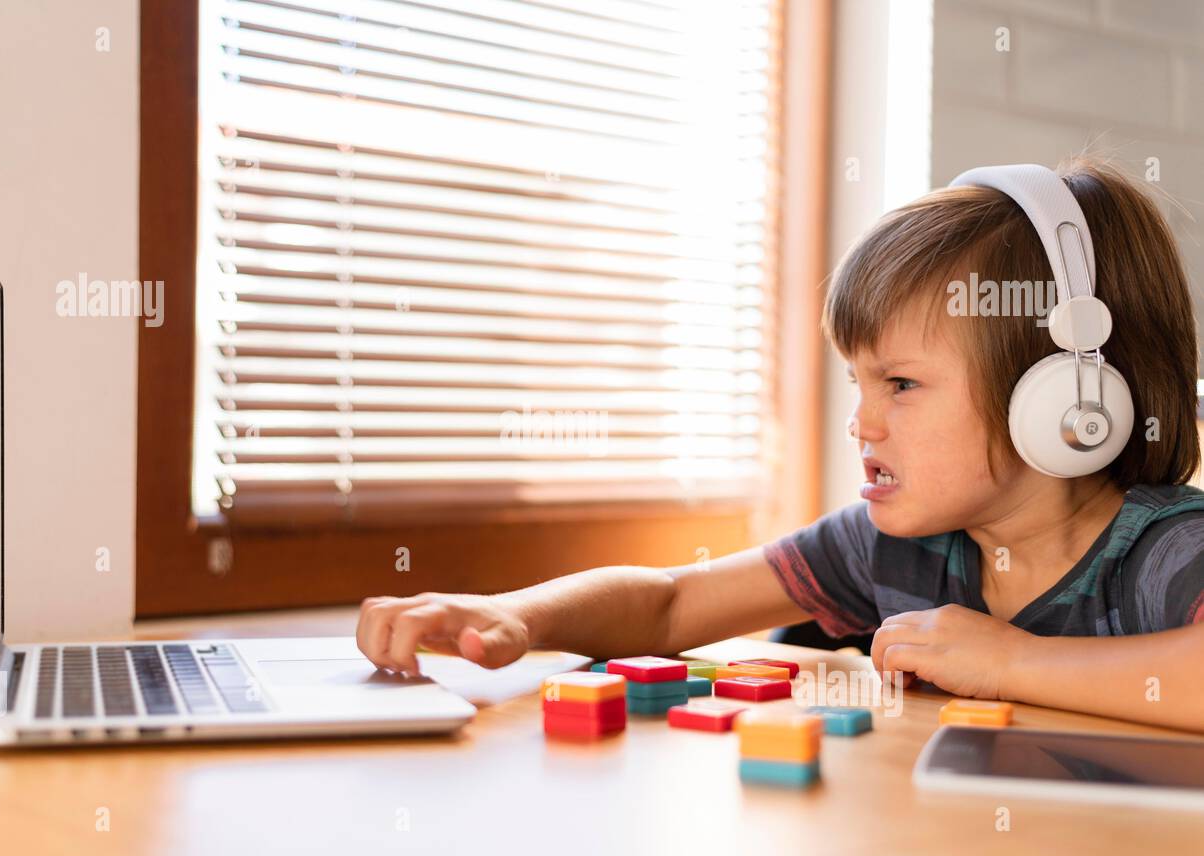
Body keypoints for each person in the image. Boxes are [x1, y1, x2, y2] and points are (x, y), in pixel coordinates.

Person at [356, 156, 1204, 733]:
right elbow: (669, 604)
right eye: (856, 384)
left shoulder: (1169, 550)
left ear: (1064, 396)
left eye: (900, 385)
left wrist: (1011, 664)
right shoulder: (886, 549)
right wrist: (515, 614)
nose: (862, 423)